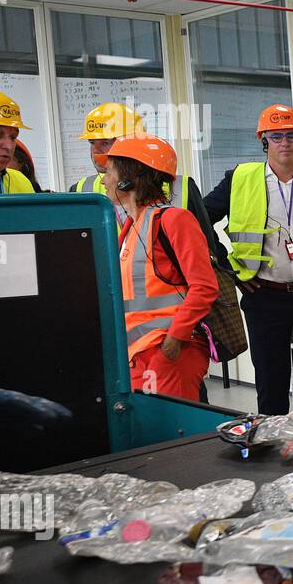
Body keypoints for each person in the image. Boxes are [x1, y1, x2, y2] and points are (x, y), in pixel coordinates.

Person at [204, 104, 293, 415]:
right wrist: (230, 269)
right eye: (276, 136)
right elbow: (199, 219)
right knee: (271, 381)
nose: (284, 143)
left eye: (291, 136)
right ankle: (274, 446)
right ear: (264, 141)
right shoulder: (240, 179)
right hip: (265, 295)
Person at [106, 135, 217, 402]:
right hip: (137, 355)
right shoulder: (130, 227)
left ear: (128, 177)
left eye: (109, 171)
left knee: (175, 439)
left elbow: (204, 287)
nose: (103, 179)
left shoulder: (174, 220)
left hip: (168, 352)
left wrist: (174, 341)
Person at [69, 102, 222, 264]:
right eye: (92, 143)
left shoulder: (181, 187)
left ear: (133, 143)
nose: (95, 151)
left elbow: (208, 247)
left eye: (105, 142)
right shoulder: (80, 190)